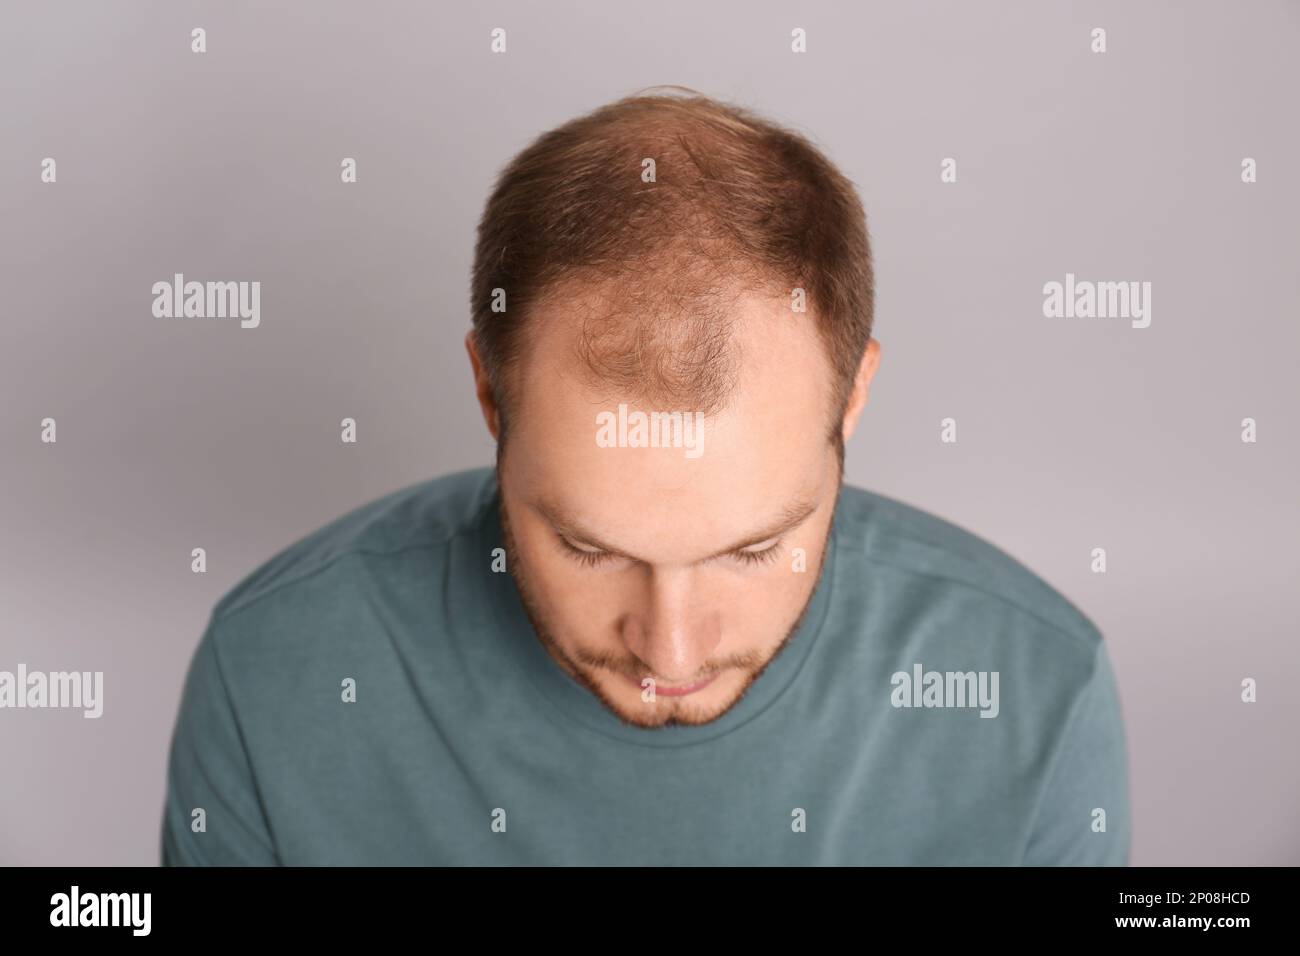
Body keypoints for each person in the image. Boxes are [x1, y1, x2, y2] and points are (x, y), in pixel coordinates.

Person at [161, 88, 1130, 865]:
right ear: (490, 397)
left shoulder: (1032, 691)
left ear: (854, 398)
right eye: (588, 545)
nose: (669, 647)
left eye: (753, 548)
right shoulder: (275, 674)